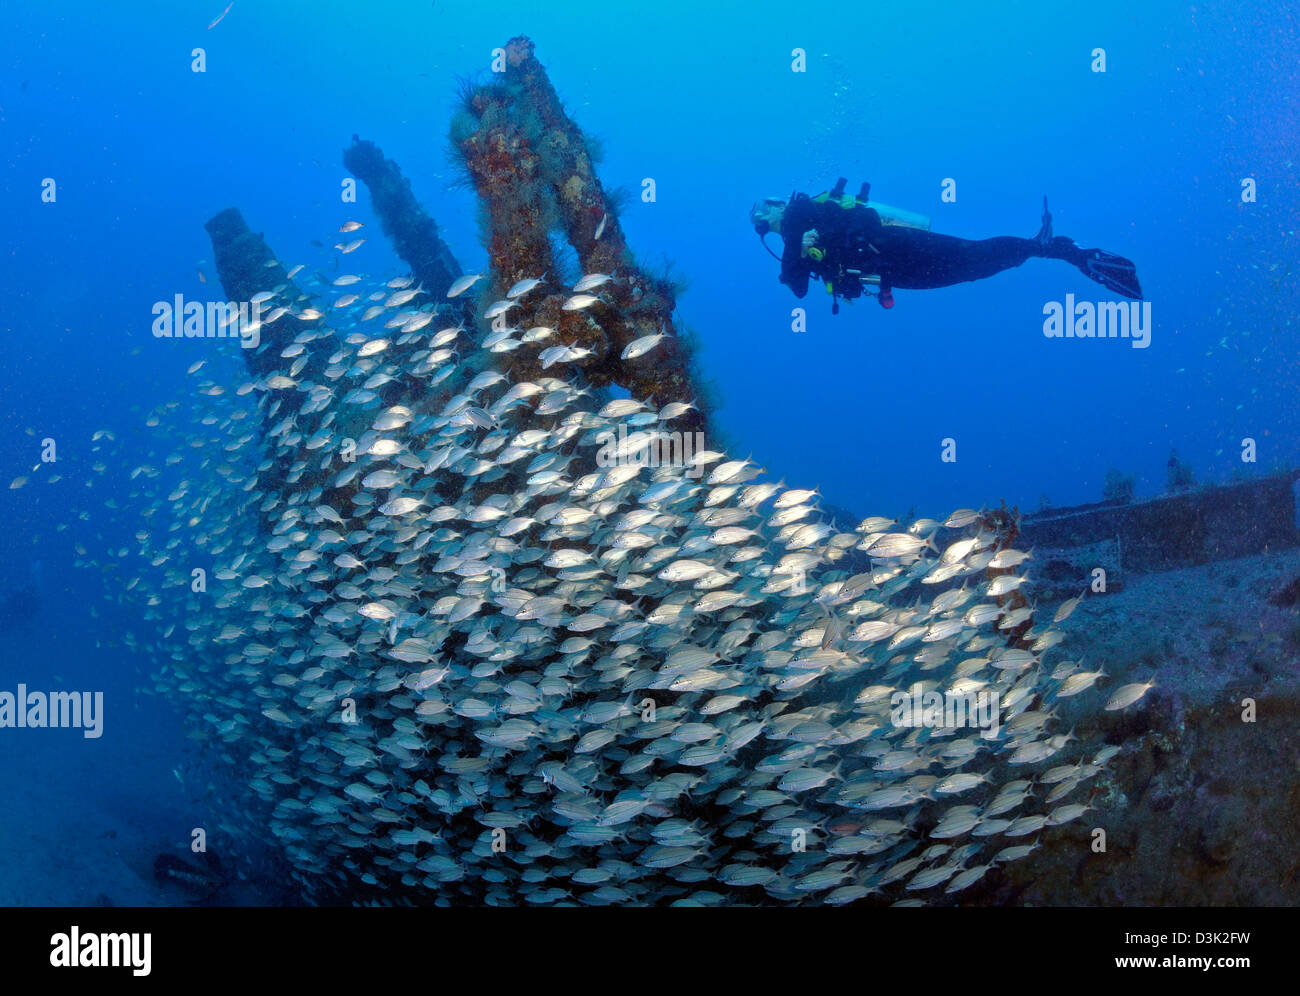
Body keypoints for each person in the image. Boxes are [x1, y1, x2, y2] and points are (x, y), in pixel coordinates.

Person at [751, 178, 1142, 312]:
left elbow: (799, 284)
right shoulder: (798, 232)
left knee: (969, 258)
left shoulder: (800, 215)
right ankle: (1055, 250)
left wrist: (797, 239)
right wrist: (800, 246)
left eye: (761, 215)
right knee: (969, 267)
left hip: (894, 250)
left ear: (773, 206)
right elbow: (800, 284)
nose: (763, 223)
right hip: (891, 269)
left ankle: (1046, 248)